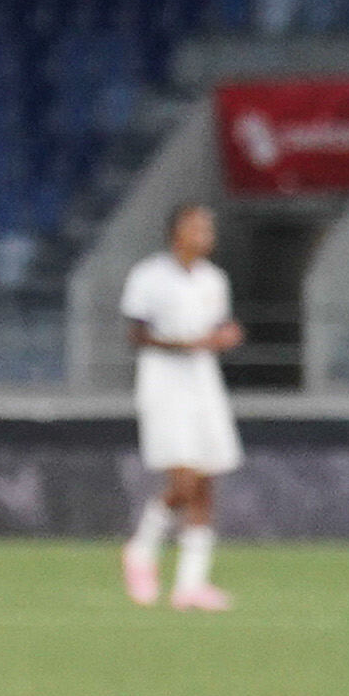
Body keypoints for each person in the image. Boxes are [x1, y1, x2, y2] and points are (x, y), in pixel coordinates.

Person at [119, 200, 243, 610]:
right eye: (198, 228)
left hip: (203, 381)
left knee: (207, 479)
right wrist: (181, 345)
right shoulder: (149, 277)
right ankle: (141, 548)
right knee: (184, 480)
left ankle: (191, 583)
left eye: (209, 229)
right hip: (164, 382)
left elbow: (218, 327)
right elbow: (136, 333)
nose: (206, 236)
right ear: (178, 232)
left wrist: (224, 337)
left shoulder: (214, 280)